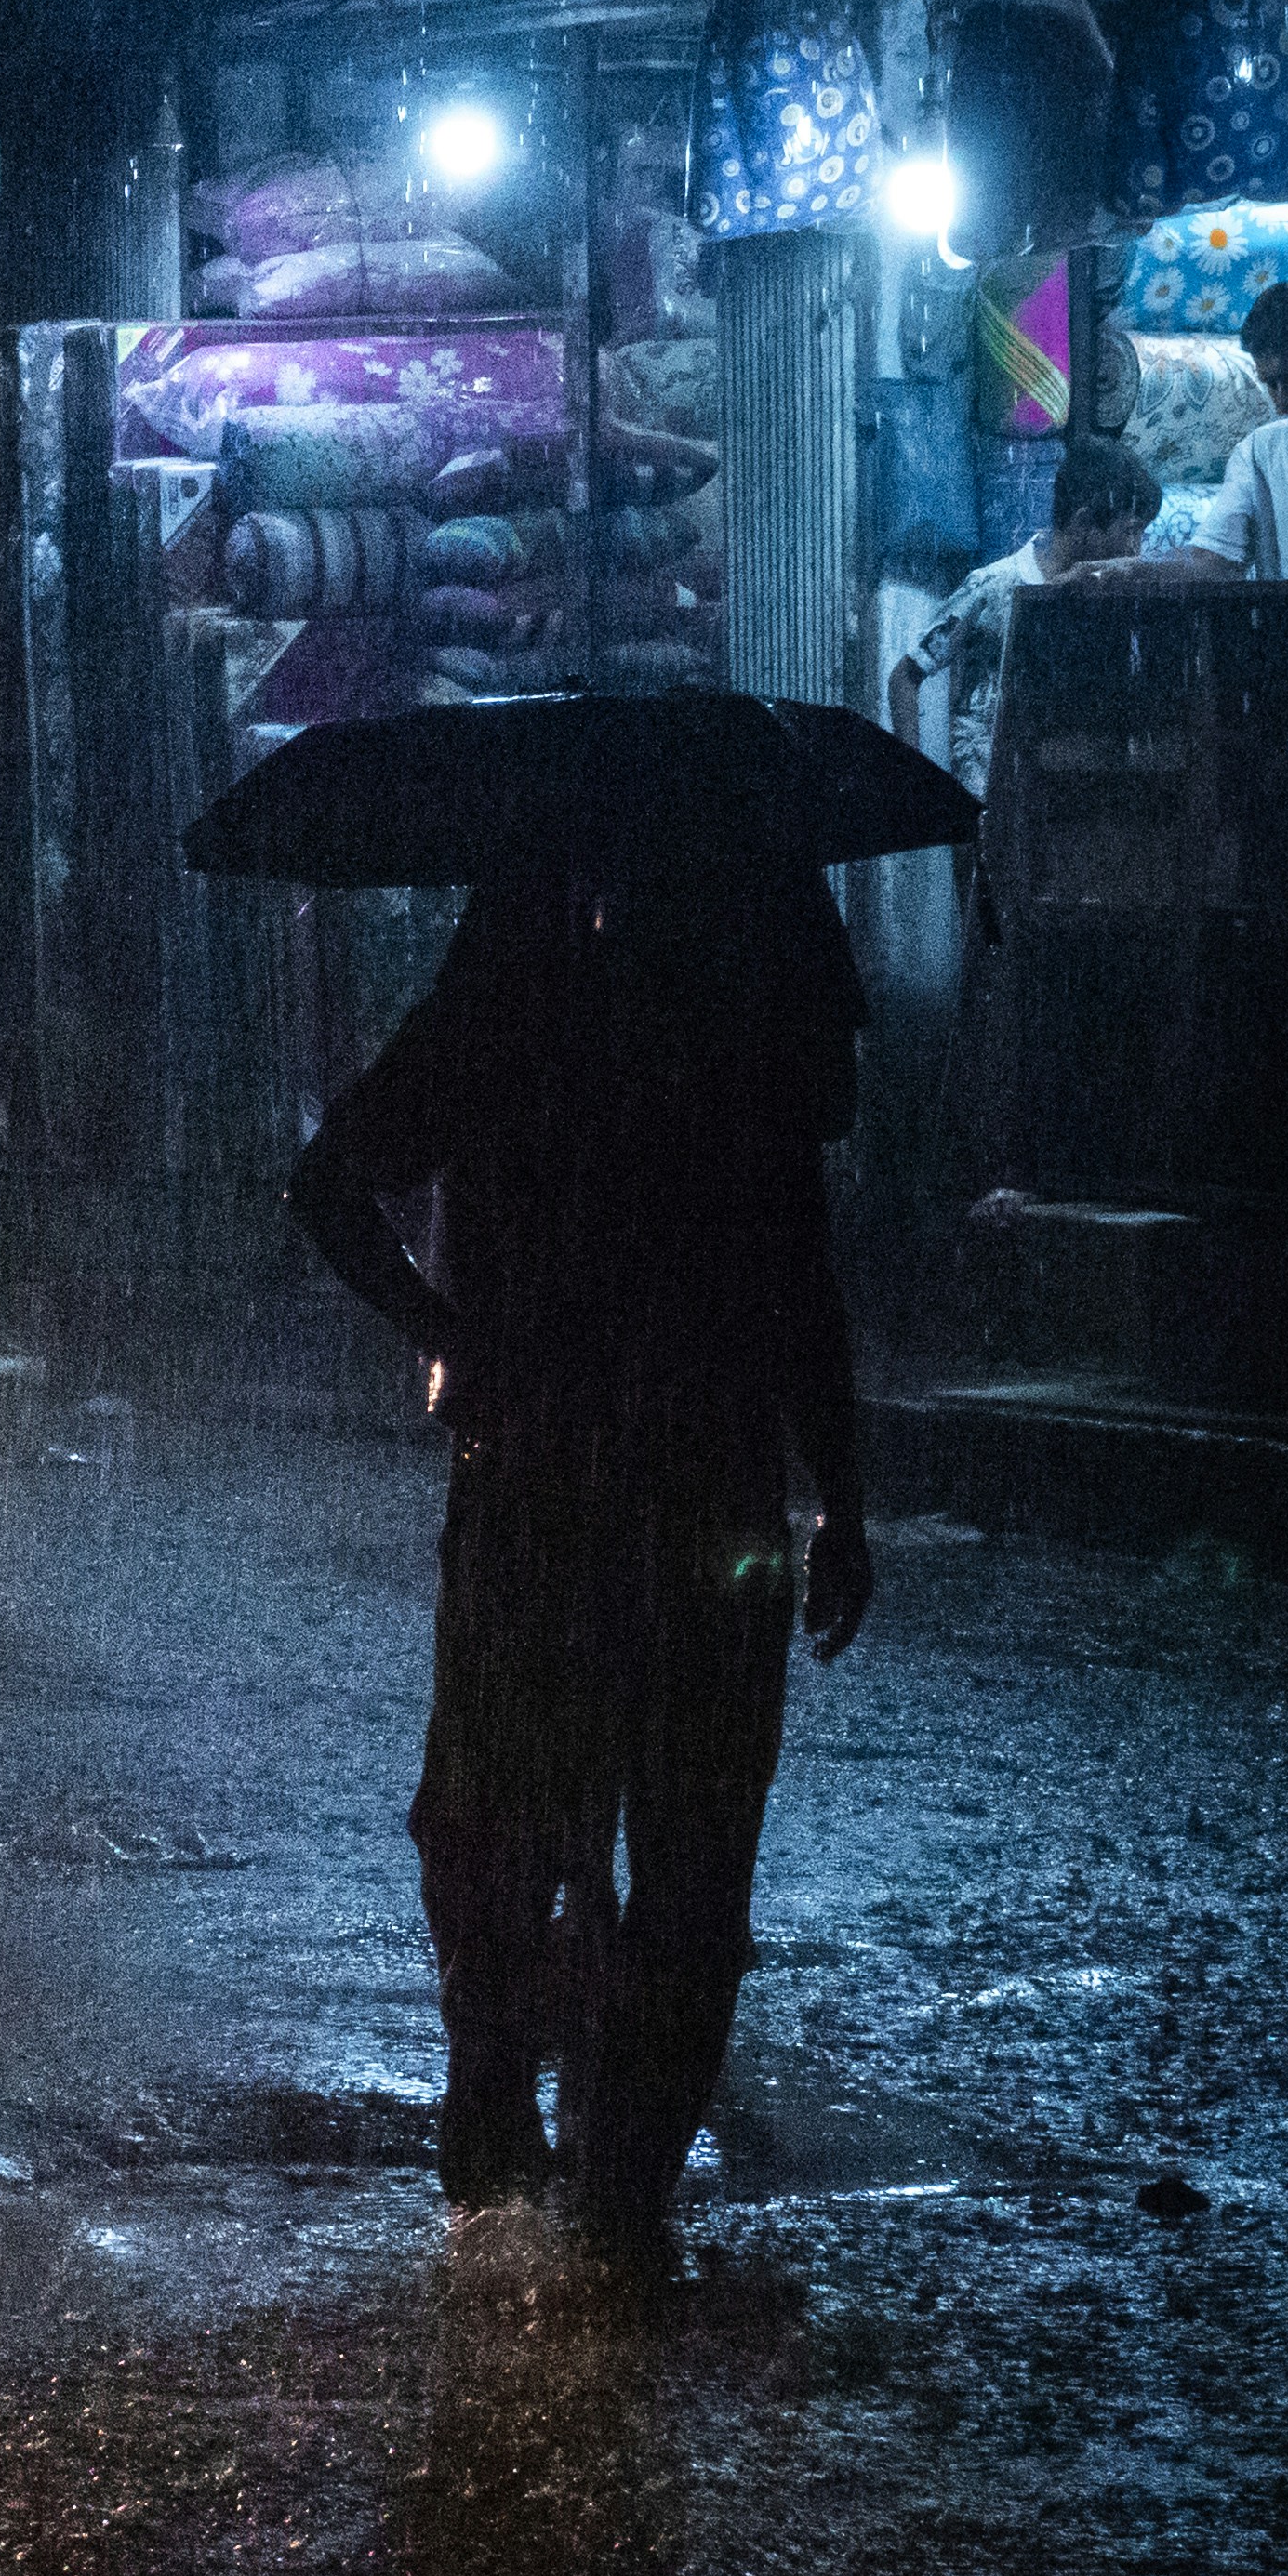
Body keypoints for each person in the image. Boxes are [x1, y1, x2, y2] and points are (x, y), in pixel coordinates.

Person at [284, 834, 873, 2255]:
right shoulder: (744, 1037)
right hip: (708, 1496)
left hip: (536, 1486)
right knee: (688, 1857)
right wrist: (842, 1502)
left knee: (496, 1822)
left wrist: (449, 1335)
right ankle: (623, 2205)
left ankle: (497, 2113)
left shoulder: (503, 1012)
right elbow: (800, 1284)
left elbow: (326, 1183)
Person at [883, 433, 1158, 795]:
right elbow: (905, 677)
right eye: (1131, 531)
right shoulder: (996, 585)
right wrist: (912, 781)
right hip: (989, 798)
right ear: (1084, 522)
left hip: (1061, 793)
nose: (1136, 550)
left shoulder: (1106, 596)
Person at [1167, 275, 1288, 580]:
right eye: (1270, 384)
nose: (1283, 405)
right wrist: (1121, 572)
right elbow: (1213, 562)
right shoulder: (1260, 453)